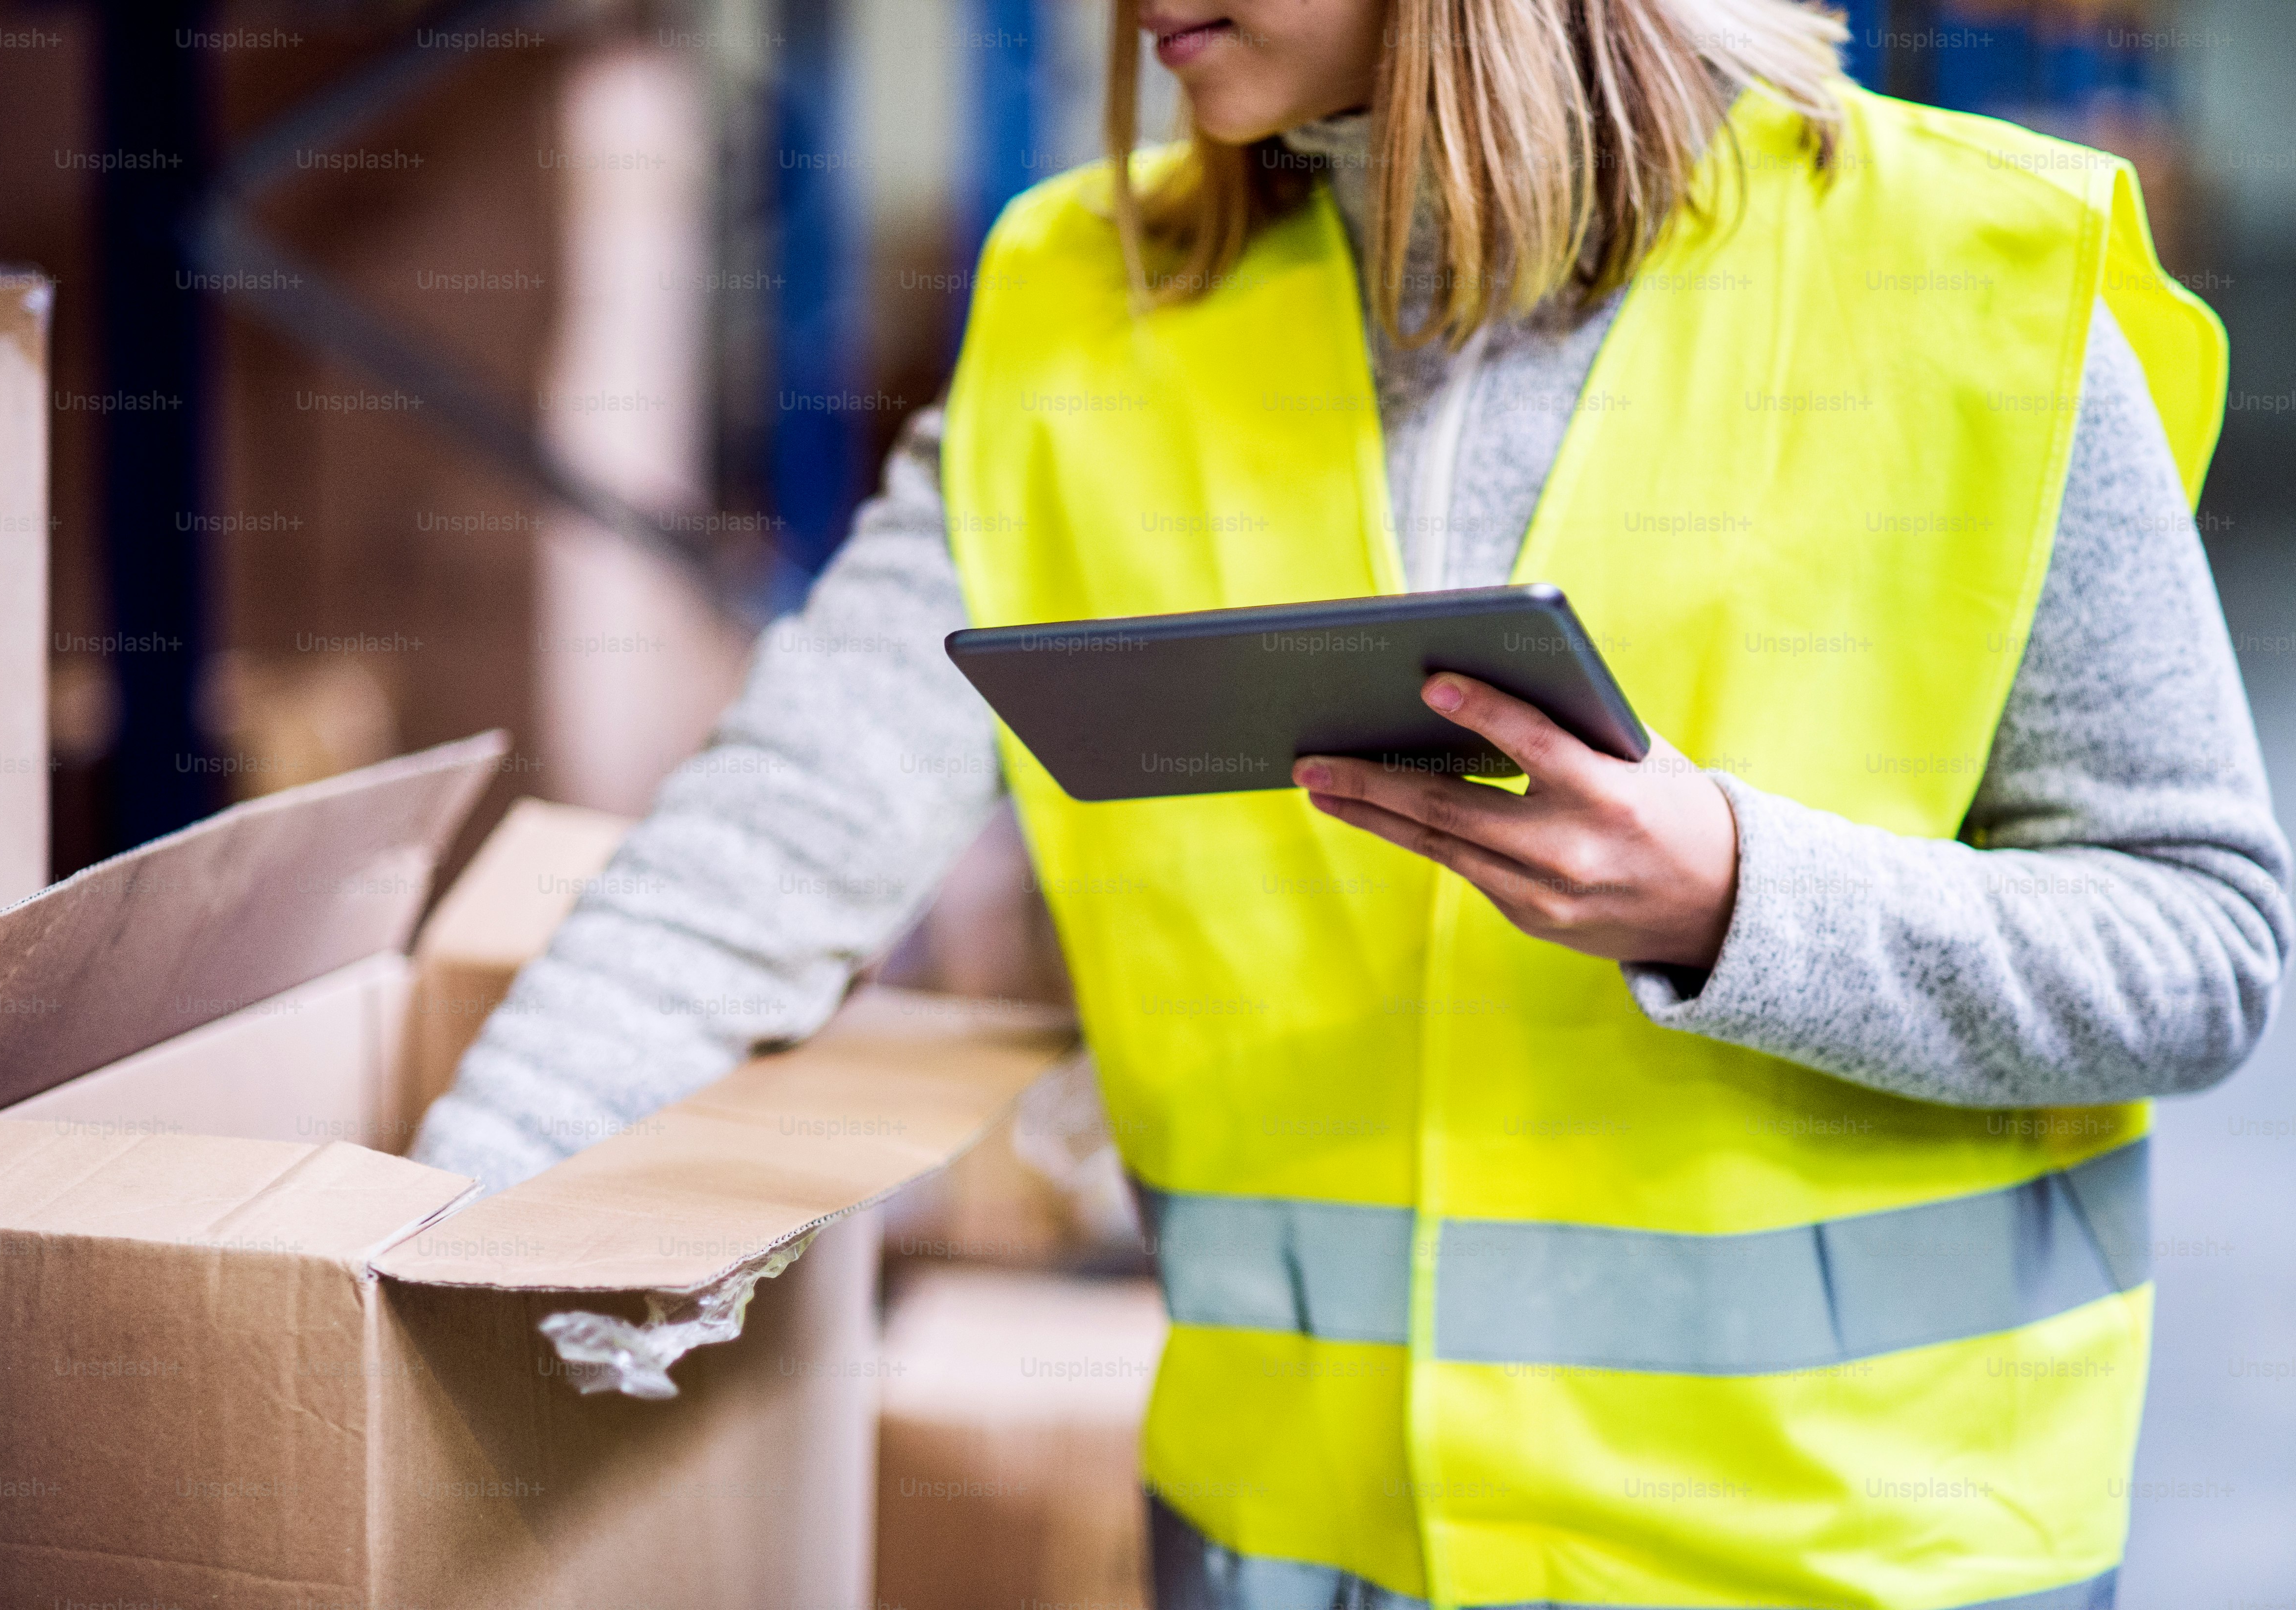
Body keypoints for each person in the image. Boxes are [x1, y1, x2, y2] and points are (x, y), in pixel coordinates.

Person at [415, 0, 2292, 1604]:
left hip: (1835, 1555)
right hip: (1283, 1551)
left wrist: (1735, 898)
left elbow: (2204, 949)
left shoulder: (1963, 277)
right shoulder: (1093, 306)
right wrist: (409, 1243)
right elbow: (768, 845)